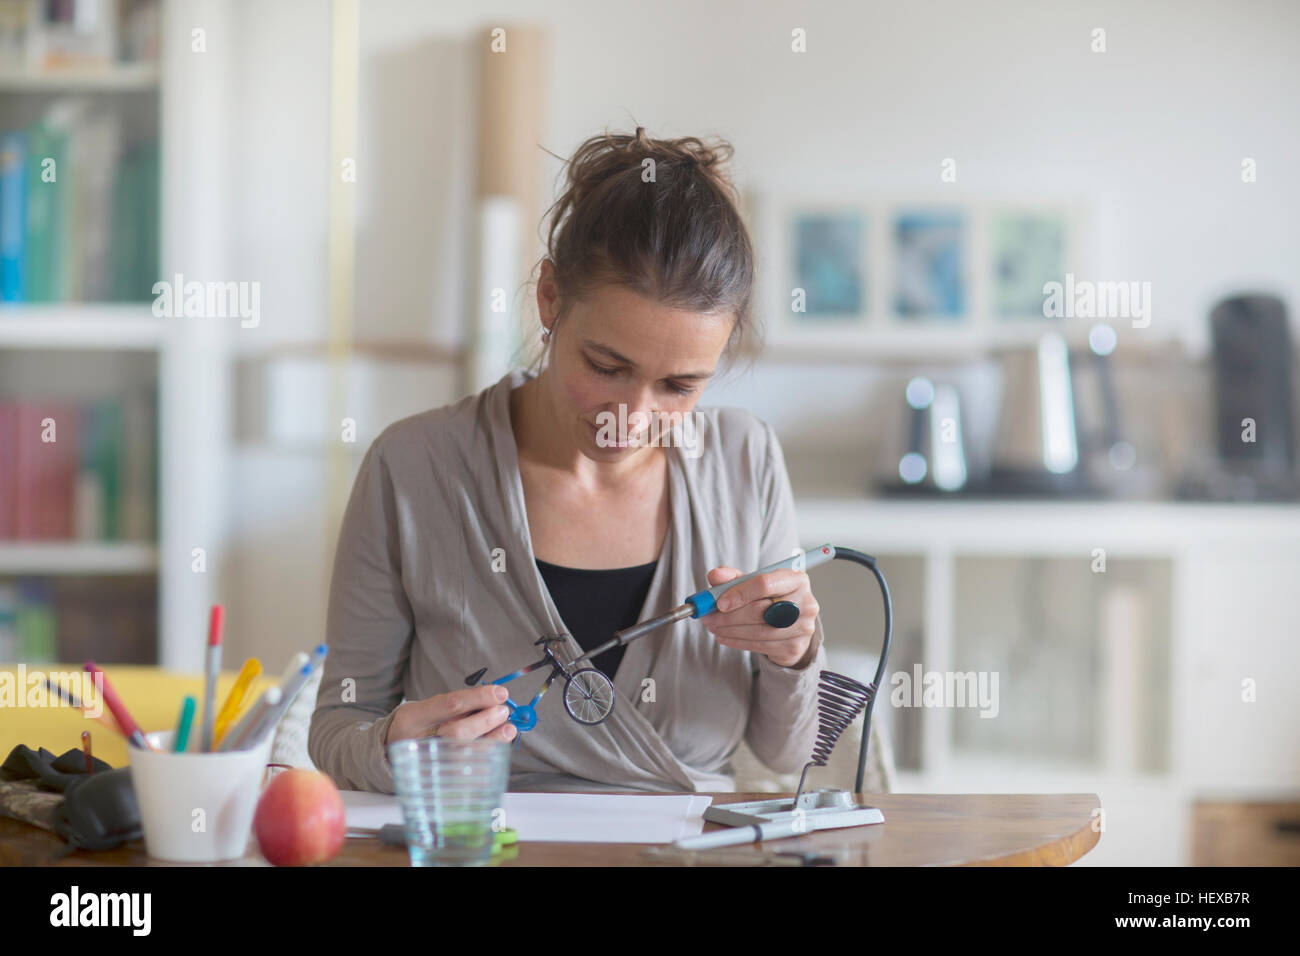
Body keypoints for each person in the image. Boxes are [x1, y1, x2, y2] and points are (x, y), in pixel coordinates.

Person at [308, 127, 827, 793]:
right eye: (606, 367)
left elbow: (787, 754)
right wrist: (393, 745)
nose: (632, 419)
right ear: (549, 298)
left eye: (680, 387)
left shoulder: (744, 458)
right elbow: (337, 728)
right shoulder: (413, 467)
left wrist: (794, 653)